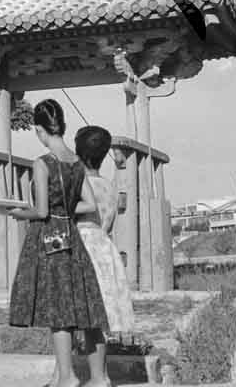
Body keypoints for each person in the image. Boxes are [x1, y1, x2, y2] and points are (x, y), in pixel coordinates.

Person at [8, 99, 110, 387]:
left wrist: (17, 213)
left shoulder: (43, 163)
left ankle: (67, 377)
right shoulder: (76, 163)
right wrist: (64, 206)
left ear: (40, 130)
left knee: (58, 310)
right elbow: (89, 204)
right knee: (77, 305)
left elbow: (39, 211)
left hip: (47, 238)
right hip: (71, 238)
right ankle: (71, 376)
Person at [74, 125, 136, 385]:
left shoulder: (78, 185)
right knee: (96, 321)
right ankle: (100, 376)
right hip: (103, 245)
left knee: (75, 318)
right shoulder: (109, 186)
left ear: (78, 152)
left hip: (82, 246)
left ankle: (87, 375)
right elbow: (109, 221)